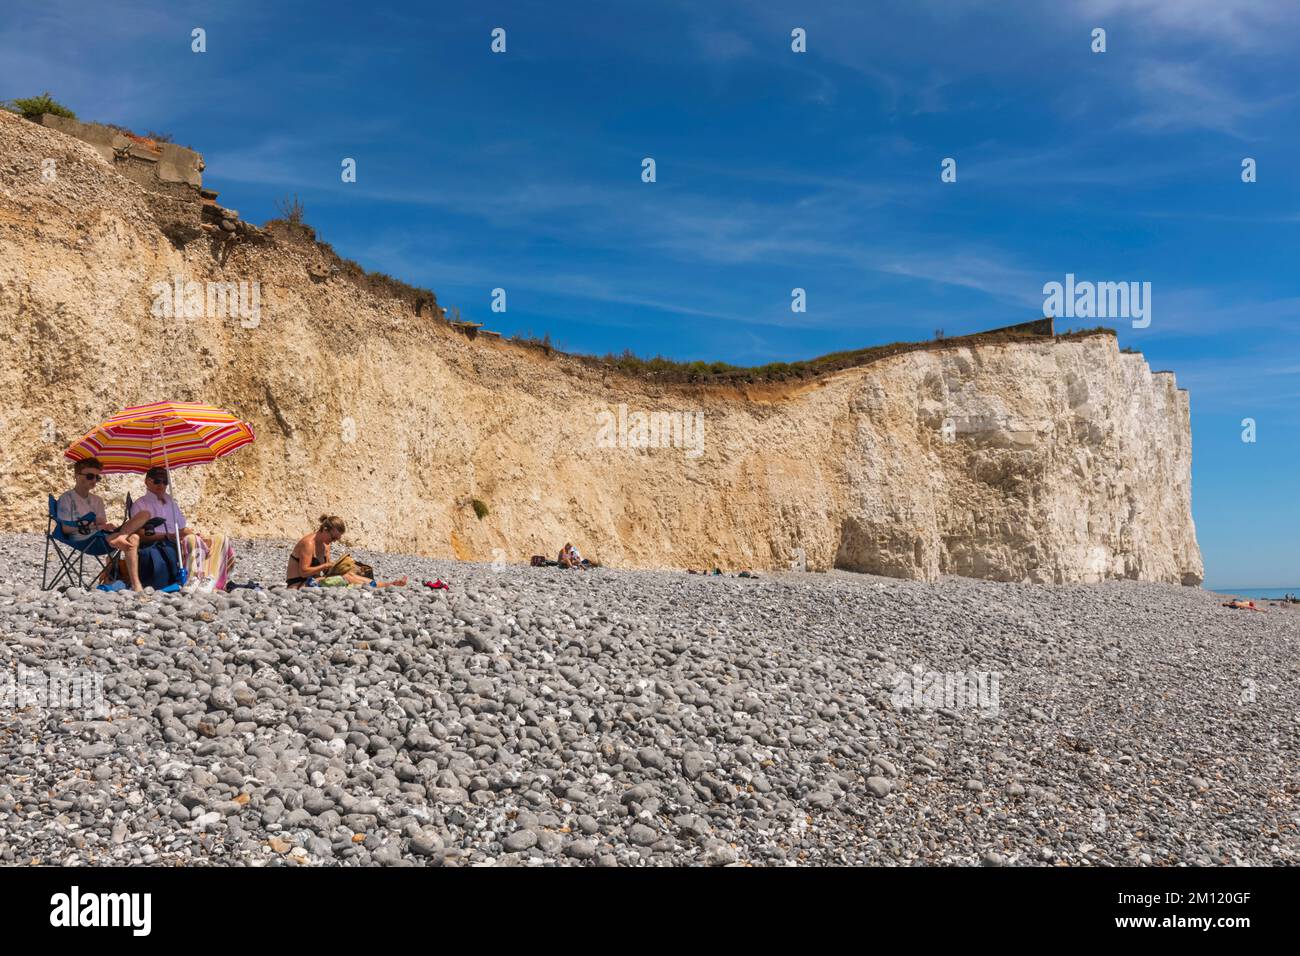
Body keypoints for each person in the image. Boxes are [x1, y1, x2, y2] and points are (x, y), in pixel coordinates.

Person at [57, 457, 152, 591]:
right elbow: (66, 529)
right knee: (134, 538)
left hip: (101, 536)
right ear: (77, 476)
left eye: (97, 477)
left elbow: (101, 524)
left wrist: (105, 526)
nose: (94, 480)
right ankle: (134, 585)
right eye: (90, 476)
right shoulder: (67, 498)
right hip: (85, 540)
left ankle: (135, 583)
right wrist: (93, 524)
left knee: (144, 516)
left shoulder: (97, 500)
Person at [287, 516, 407, 588]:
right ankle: (381, 586)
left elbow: (326, 572)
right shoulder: (308, 544)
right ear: (324, 529)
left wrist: (342, 567)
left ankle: (389, 584)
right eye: (333, 538)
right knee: (345, 579)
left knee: (350, 575)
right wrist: (327, 565)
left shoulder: (325, 545)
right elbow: (303, 572)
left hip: (313, 581)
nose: (333, 541)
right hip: (298, 585)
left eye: (336, 539)